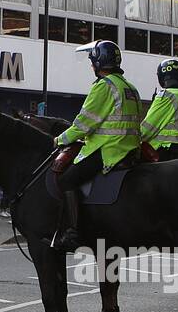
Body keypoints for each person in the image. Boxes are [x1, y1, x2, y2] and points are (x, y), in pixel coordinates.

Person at [51, 40, 141, 250]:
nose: (91, 66)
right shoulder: (130, 87)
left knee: (67, 181)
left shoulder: (104, 86)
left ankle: (72, 234)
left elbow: (83, 124)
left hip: (109, 150)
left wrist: (60, 139)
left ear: (99, 63)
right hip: (131, 150)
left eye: (92, 63)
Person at [138, 58, 178, 160]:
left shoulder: (166, 96)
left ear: (161, 77)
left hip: (167, 153)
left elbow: (147, 128)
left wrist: (133, 139)